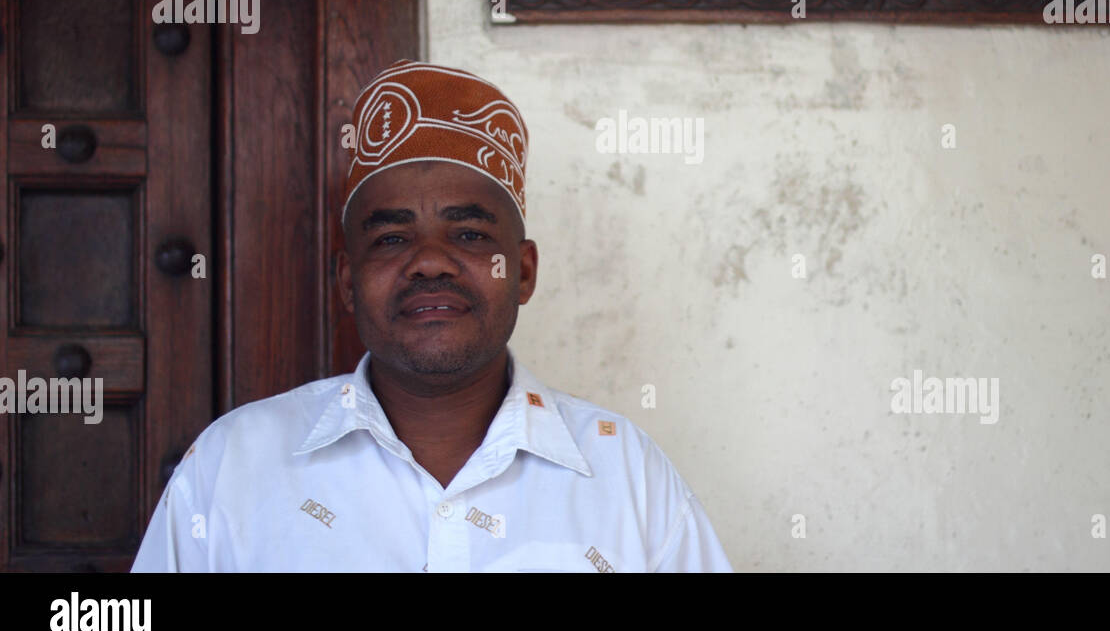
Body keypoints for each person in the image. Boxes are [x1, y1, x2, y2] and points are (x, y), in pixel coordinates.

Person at [131, 60, 732, 571]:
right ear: (347, 280)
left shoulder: (627, 474)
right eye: (392, 240)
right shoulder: (234, 465)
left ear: (522, 272)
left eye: (468, 234)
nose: (430, 263)